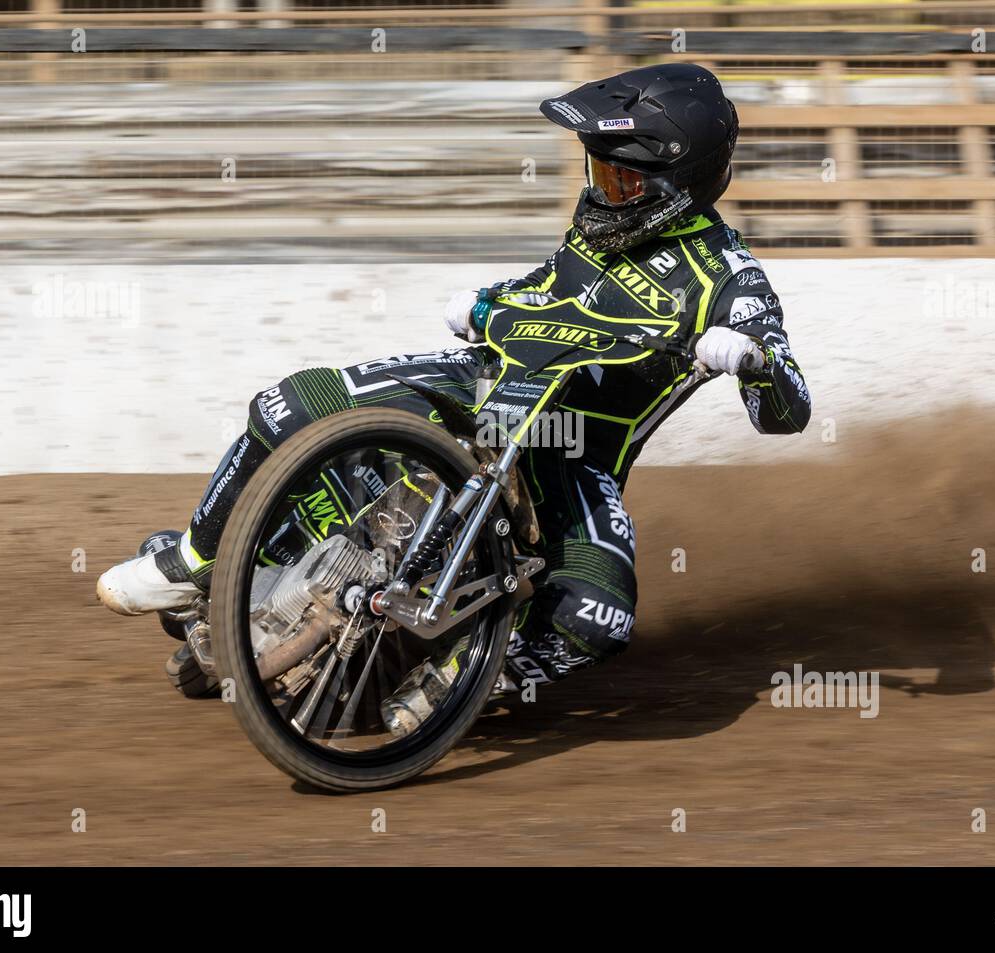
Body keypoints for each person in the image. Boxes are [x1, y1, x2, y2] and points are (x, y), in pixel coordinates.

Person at [97, 63, 811, 723]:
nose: (601, 190)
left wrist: (752, 361)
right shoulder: (599, 230)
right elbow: (541, 290)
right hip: (484, 386)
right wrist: (483, 301)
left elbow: (789, 411)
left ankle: (459, 683)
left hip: (570, 456)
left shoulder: (731, 278)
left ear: (675, 187)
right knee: (290, 404)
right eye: (597, 171)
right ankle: (194, 563)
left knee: (599, 615)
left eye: (621, 180)